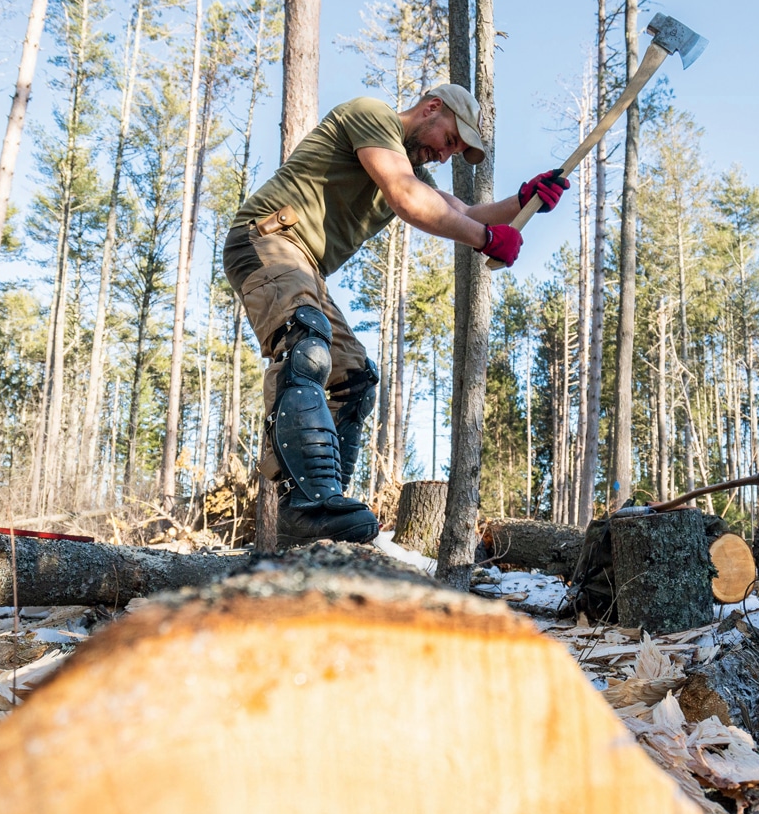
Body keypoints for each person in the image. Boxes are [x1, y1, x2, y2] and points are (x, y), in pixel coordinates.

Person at [223, 84, 570, 548]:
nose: (445, 155)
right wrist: (487, 239)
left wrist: (524, 201)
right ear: (432, 108)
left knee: (354, 379)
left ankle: (324, 517)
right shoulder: (373, 116)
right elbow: (408, 199)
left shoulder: (410, 170)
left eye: (454, 152)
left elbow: (465, 211)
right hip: (267, 241)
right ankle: (306, 506)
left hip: (305, 268)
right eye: (450, 140)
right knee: (305, 345)